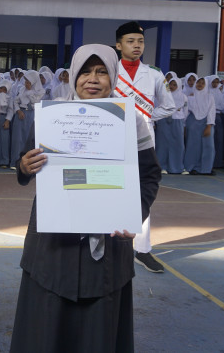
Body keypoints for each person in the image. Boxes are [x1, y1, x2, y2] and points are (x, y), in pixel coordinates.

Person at [9, 44, 160, 352]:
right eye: (86, 71)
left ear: (113, 77)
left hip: (107, 248)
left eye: (102, 71)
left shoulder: (131, 121)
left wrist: (133, 213)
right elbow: (24, 165)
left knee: (97, 330)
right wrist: (24, 166)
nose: (93, 79)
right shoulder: (51, 118)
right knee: (46, 329)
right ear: (74, 76)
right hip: (52, 248)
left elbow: (149, 176)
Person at [112, 21, 174, 274]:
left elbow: (169, 105)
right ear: (118, 45)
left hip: (143, 139)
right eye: (130, 41)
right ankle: (111, 242)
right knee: (111, 186)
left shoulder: (155, 74)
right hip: (112, 136)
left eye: (140, 42)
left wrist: (146, 118)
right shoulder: (109, 70)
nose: (136, 46)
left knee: (143, 192)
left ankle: (142, 249)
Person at [183, 76, 216, 175]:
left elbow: (211, 111)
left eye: (202, 83)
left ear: (206, 85)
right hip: (193, 122)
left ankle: (206, 169)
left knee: (208, 146)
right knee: (193, 146)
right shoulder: (190, 97)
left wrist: (209, 125)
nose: (200, 85)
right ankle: (192, 167)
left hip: (206, 123)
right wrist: (184, 125)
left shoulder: (210, 97)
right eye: (198, 82)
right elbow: (185, 112)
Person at [155, 78, 187, 174]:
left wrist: (183, 123)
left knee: (177, 145)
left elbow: (186, 111)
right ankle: (161, 166)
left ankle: (177, 167)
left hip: (177, 121)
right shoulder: (163, 95)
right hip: (163, 120)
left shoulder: (183, 97)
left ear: (179, 86)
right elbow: (157, 107)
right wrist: (156, 121)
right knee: (162, 145)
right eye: (170, 84)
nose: (172, 87)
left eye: (174, 85)